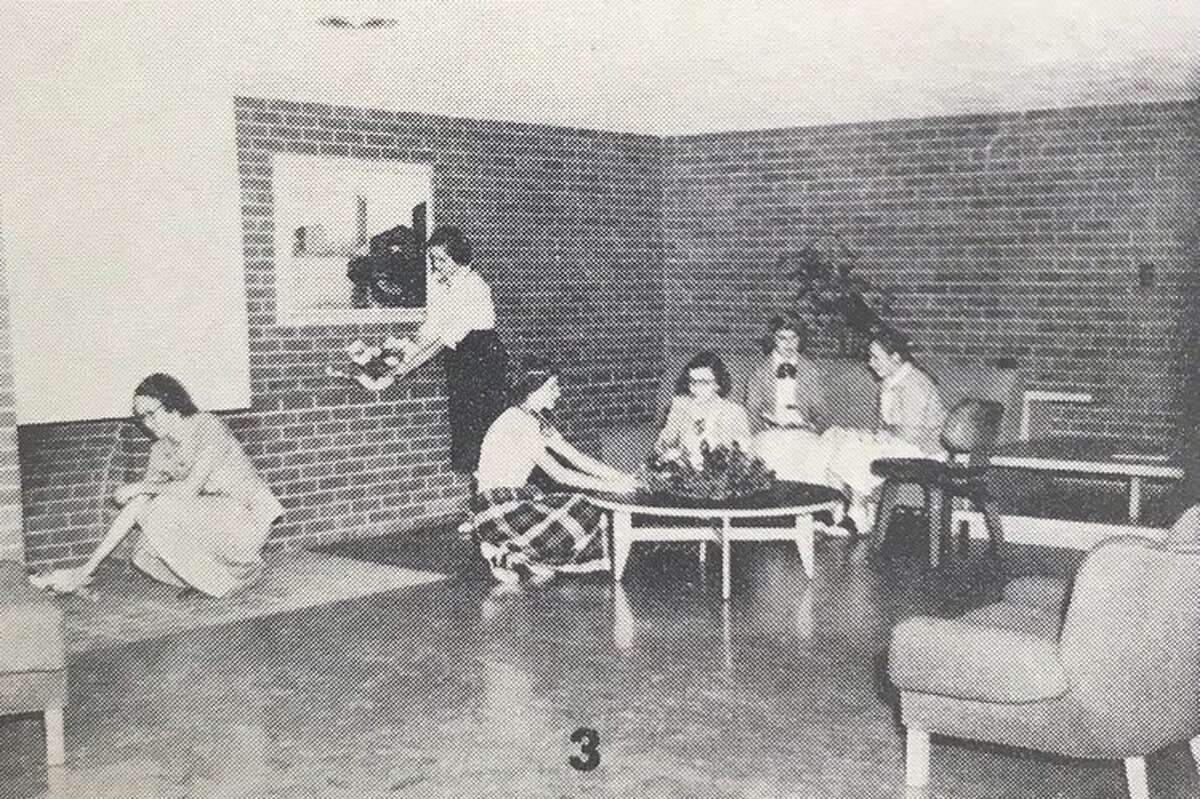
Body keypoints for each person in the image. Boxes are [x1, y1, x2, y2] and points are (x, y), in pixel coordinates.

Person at [31, 374, 283, 598]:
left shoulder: (207, 426)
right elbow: (137, 504)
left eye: (151, 414)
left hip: (246, 519)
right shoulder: (161, 449)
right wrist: (86, 568)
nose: (147, 423)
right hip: (209, 519)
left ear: (173, 404)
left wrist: (140, 486)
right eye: (141, 417)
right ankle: (222, 577)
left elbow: (188, 489)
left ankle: (234, 574)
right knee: (144, 554)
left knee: (161, 510)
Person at [473, 360, 638, 584]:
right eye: (552, 387)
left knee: (589, 509)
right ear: (531, 389)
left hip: (515, 501)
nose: (558, 393)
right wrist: (615, 487)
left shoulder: (535, 418)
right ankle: (502, 552)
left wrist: (624, 478)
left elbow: (576, 457)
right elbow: (559, 474)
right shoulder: (518, 421)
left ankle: (519, 556)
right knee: (585, 507)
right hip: (496, 509)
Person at [393, 225, 507, 474]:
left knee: (483, 434)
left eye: (441, 260)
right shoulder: (441, 284)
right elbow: (432, 327)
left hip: (483, 361)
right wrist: (405, 349)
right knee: (465, 434)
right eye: (433, 260)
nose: (435, 266)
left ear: (458, 259)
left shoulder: (474, 287)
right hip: (460, 361)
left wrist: (408, 366)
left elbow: (444, 338)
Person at [820, 327, 947, 536]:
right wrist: (873, 436)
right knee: (836, 437)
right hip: (902, 442)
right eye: (870, 357)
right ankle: (840, 510)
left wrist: (876, 438)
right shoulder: (890, 381)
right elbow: (887, 427)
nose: (871, 363)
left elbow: (911, 434)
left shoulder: (914, 383)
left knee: (858, 449)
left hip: (923, 450)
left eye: (876, 357)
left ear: (895, 358)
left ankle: (857, 514)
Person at [744, 316, 826, 483]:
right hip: (770, 433)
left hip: (803, 432)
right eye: (782, 338)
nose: (788, 344)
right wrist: (766, 427)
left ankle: (811, 506)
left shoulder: (811, 370)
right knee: (771, 455)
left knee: (813, 455)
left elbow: (821, 412)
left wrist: (811, 425)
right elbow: (752, 412)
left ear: (800, 339)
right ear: (773, 339)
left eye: (793, 338)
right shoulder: (760, 371)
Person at [656, 351, 754, 468]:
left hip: (718, 476)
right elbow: (663, 442)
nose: (696, 389)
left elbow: (743, 454)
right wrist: (668, 452)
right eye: (693, 382)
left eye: (704, 383)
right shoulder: (681, 407)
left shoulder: (734, 412)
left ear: (717, 384)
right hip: (683, 474)